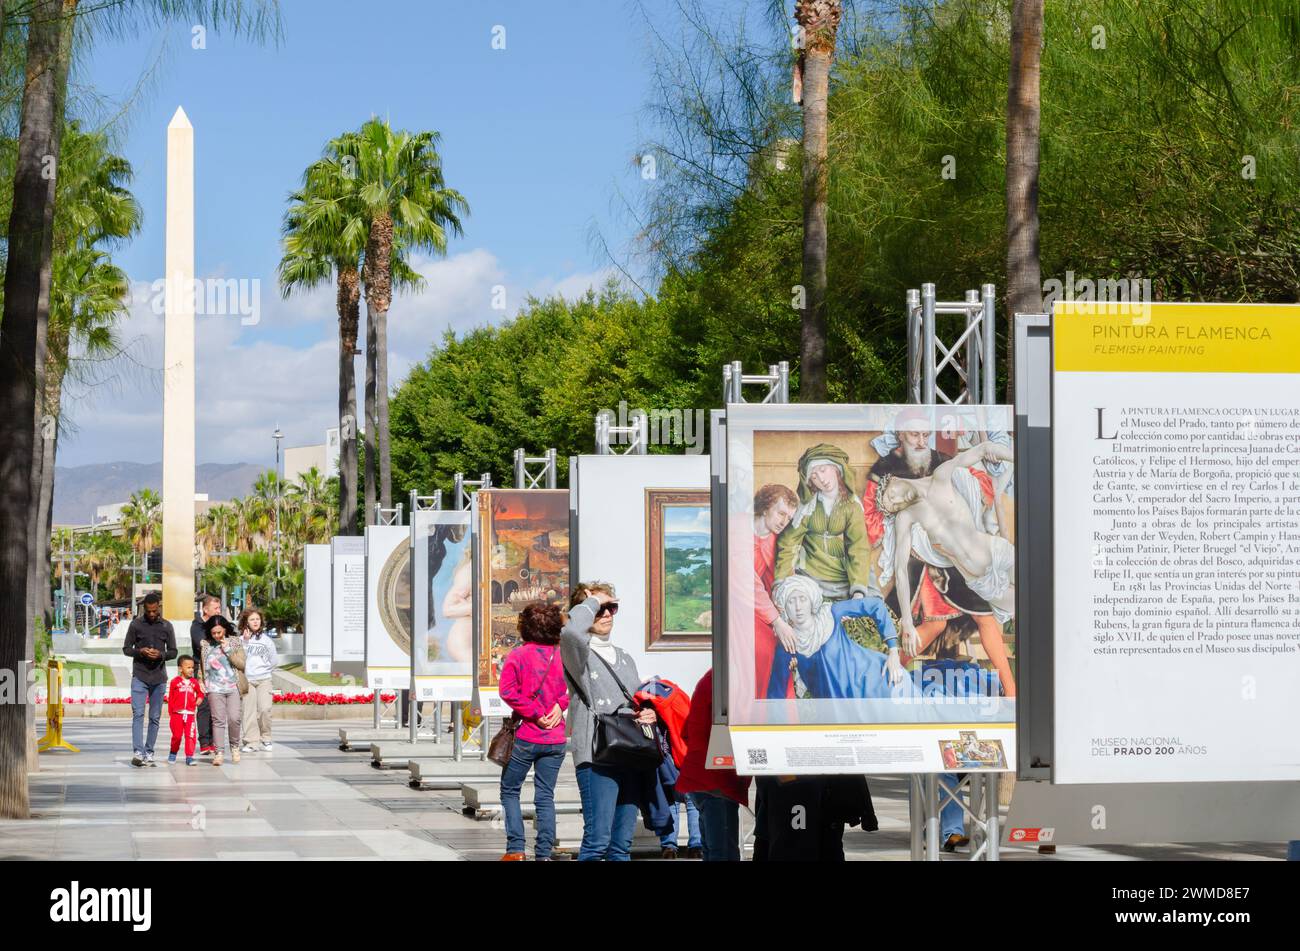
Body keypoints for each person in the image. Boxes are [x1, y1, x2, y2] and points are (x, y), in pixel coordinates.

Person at [878, 439, 1017, 695]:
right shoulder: (907, 517)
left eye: (891, 496)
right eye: (893, 505)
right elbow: (899, 569)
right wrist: (907, 623)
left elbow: (983, 449)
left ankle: (1015, 691)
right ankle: (1013, 693)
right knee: (1019, 611)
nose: (896, 501)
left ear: (894, 481)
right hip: (980, 581)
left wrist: (1016, 457)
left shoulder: (941, 477)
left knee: (1043, 600)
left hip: (999, 554)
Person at [560, 582, 658, 861]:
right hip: (596, 754)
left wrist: (647, 713)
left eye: (611, 607)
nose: (606, 614)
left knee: (621, 845)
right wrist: (591, 603)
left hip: (629, 752)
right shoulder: (579, 654)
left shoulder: (625, 657)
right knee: (597, 841)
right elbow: (570, 633)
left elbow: (634, 701)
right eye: (599, 609)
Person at [497, 601, 569, 861]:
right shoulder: (562, 654)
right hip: (556, 738)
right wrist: (560, 706)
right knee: (545, 795)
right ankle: (543, 853)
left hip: (527, 735)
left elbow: (507, 691)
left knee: (509, 790)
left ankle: (516, 849)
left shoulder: (518, 655)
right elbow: (569, 690)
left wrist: (535, 714)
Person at [767, 575, 913, 700]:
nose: (798, 607)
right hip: (839, 707)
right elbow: (775, 696)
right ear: (784, 607)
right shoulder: (787, 645)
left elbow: (876, 605)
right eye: (791, 602)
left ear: (811, 600)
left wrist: (893, 652)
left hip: (874, 681)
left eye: (803, 599)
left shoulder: (831, 613)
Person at [774, 444, 872, 600]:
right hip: (810, 571)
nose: (821, 479)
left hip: (842, 571)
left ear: (836, 468)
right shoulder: (807, 507)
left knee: (870, 605)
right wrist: (781, 582)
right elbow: (788, 543)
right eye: (814, 476)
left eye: (823, 470)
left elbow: (858, 546)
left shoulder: (852, 505)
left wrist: (858, 588)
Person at [675, 669, 750, 861]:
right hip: (716, 781)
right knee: (723, 853)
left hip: (702, 778)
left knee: (713, 851)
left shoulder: (714, 678)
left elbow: (687, 731)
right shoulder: (729, 681)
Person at [753, 483, 799, 699]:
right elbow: (748, 582)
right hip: (741, 606)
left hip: (760, 607)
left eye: (789, 518)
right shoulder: (739, 530)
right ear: (766, 507)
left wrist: (783, 613)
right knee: (763, 650)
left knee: (784, 646)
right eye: (781, 513)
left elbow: (773, 579)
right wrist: (777, 621)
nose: (784, 521)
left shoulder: (772, 539)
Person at [122, 592, 178, 767]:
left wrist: (160, 655)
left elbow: (174, 651)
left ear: (159, 607)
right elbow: (126, 649)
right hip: (140, 675)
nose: (152, 614)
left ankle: (149, 751)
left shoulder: (167, 626)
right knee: (138, 714)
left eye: (155, 610)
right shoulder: (136, 624)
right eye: (149, 611)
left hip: (159, 677)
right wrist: (141, 651)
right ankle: (138, 752)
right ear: (144, 608)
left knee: (154, 717)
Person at [200, 615, 245, 766]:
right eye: (214, 633)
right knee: (218, 720)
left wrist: (228, 649)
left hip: (233, 686)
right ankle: (219, 752)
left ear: (225, 629)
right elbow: (202, 665)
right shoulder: (205, 644)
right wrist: (201, 680)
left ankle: (234, 747)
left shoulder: (235, 641)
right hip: (214, 688)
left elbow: (242, 664)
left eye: (219, 632)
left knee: (234, 718)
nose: (217, 636)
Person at [238, 608, 278, 752]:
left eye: (257, 619)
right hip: (248, 680)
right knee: (248, 711)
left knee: (265, 709)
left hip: (264, 679)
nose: (255, 622)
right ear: (246, 622)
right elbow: (240, 659)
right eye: (252, 619)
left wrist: (266, 671)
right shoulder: (241, 640)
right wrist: (247, 642)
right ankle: (251, 742)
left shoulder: (267, 640)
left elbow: (274, 661)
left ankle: (266, 738)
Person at [190, 593, 221, 756]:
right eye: (215, 608)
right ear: (205, 609)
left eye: (219, 608)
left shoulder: (219, 624)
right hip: (201, 670)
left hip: (218, 671)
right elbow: (202, 644)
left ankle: (215, 742)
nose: (218, 611)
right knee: (203, 705)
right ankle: (204, 742)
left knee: (216, 705)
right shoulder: (197, 625)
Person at [166, 656, 204, 765]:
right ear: (180, 669)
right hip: (177, 715)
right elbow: (171, 699)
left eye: (192, 667)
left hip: (190, 715)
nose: (191, 670)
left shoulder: (194, 682)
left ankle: (189, 757)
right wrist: (171, 714)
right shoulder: (175, 682)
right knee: (177, 736)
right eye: (188, 667)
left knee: (190, 736)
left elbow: (200, 693)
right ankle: (173, 753)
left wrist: (199, 699)